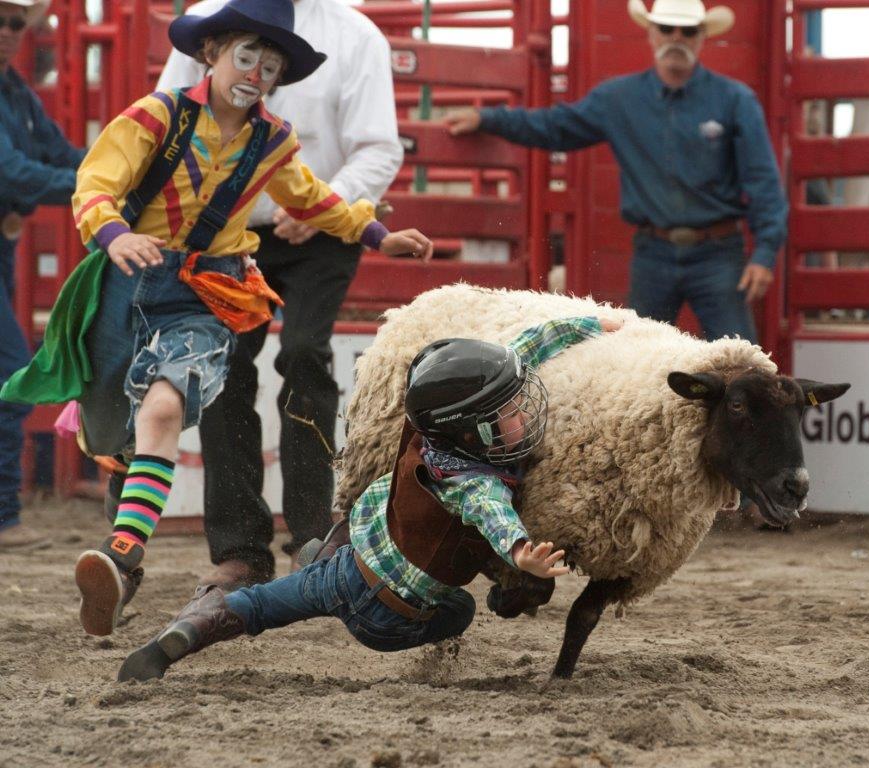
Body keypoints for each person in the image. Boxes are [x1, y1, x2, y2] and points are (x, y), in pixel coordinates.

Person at [0, 0, 431, 637]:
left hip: (209, 288)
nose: (256, 72)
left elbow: (310, 197)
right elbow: (95, 181)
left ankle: (129, 557)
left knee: (172, 406)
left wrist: (374, 233)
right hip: (126, 278)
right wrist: (114, 234)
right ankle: (128, 566)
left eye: (271, 65)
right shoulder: (156, 116)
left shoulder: (275, 138)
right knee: (115, 425)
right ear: (211, 55)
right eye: (246, 57)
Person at [117, 315, 621, 682]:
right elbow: (495, 518)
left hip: (354, 563)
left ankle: (188, 630)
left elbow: (522, 348)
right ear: (469, 434)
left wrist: (588, 326)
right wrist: (519, 556)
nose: (522, 417)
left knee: (262, 603)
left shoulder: (424, 420)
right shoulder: (476, 482)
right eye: (507, 415)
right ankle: (495, 593)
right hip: (387, 618)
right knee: (462, 609)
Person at [154, 0, 404, 588]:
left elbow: (377, 147)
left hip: (323, 227)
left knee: (305, 354)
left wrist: (324, 207)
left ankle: (312, 533)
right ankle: (240, 549)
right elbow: (171, 120)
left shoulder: (355, 34)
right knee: (226, 366)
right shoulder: (214, 16)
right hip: (226, 227)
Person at [445, 0, 788, 346]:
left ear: (702, 37)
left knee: (740, 360)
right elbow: (556, 126)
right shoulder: (620, 99)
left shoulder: (734, 100)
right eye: (667, 29)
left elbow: (762, 179)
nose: (677, 38)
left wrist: (764, 252)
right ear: (651, 33)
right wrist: (488, 119)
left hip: (717, 252)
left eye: (688, 31)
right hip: (655, 253)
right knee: (641, 358)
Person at [0, 0, 85, 551]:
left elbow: (63, 155)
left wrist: (117, 169)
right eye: (3, 21)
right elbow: (12, 172)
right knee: (10, 369)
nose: (10, 32)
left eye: (15, 23)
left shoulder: (19, 96)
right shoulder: (17, 97)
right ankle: (2, 512)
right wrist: (100, 185)